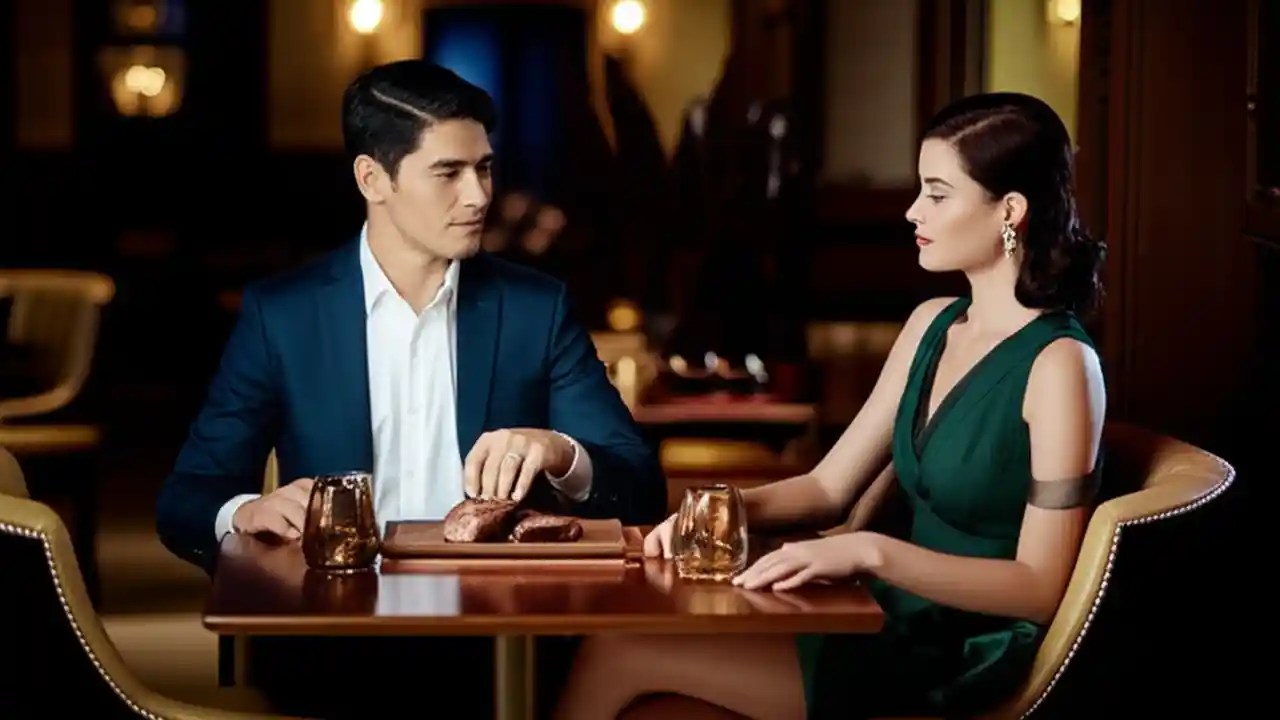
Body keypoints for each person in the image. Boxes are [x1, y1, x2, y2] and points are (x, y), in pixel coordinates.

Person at [553, 92, 1108, 720]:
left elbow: (1041, 589)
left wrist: (866, 552)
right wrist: (715, 511)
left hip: (959, 650)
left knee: (618, 649)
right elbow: (827, 487)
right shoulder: (933, 323)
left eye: (937, 193)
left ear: (1010, 210)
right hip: (881, 614)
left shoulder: (1062, 365)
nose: (911, 210)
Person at [154, 59, 667, 717]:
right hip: (338, 643)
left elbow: (641, 485)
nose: (479, 196)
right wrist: (244, 511)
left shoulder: (536, 308)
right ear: (373, 179)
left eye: (483, 168)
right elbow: (185, 500)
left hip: (505, 638)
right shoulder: (284, 315)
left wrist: (561, 452)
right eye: (448, 174)